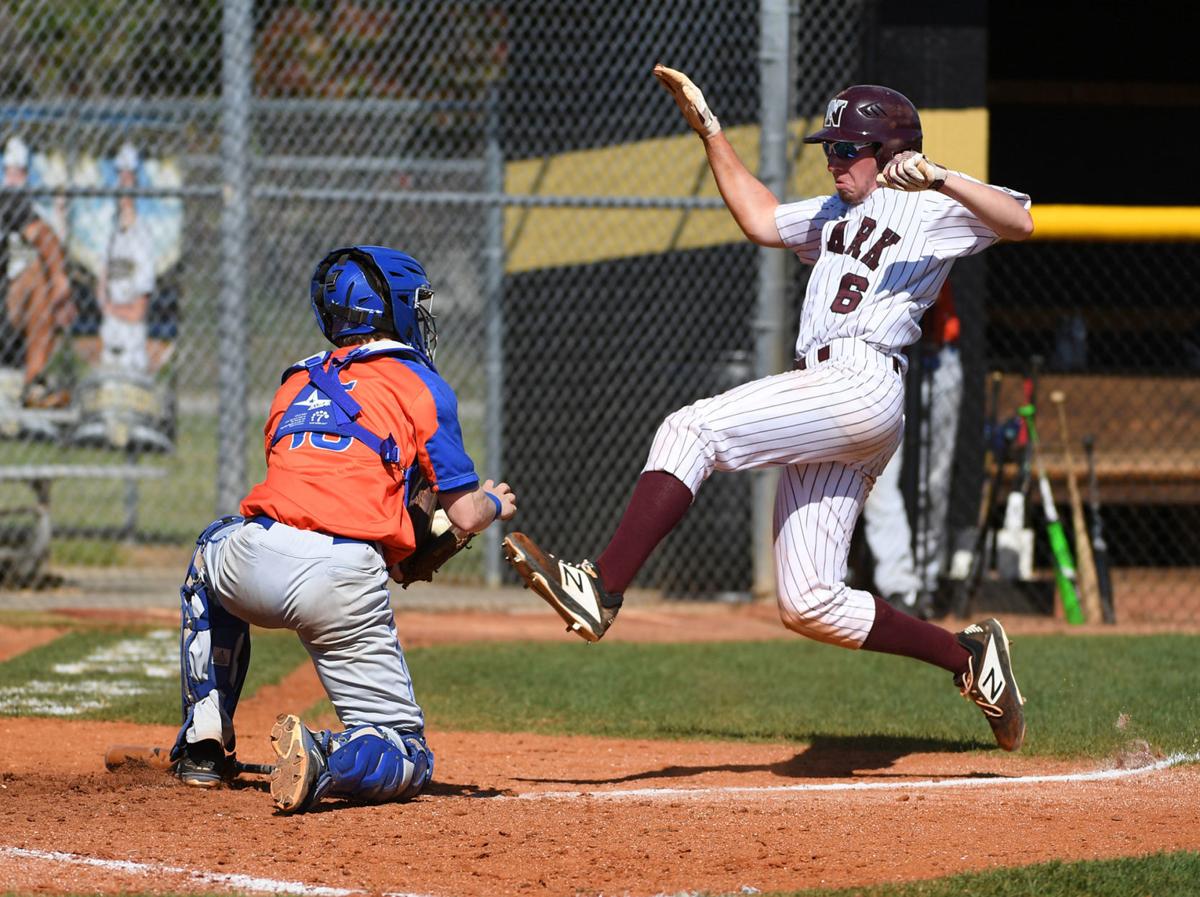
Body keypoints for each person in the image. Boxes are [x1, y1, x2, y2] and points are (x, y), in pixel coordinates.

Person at [503, 66, 1034, 752]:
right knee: (807, 600)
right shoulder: (834, 213)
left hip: (862, 375)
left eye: (847, 150)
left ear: (888, 150)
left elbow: (1019, 220)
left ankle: (600, 586)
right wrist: (711, 132)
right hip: (839, 395)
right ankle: (970, 660)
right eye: (830, 150)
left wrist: (938, 176)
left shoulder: (932, 204)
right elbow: (757, 217)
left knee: (689, 427)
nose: (834, 161)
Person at [170, 245, 517, 812]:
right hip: (340, 576)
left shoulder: (294, 381)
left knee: (213, 544)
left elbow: (311, 491)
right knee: (406, 752)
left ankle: (203, 739)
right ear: (394, 310)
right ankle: (328, 758)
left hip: (254, 557)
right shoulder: (420, 383)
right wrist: (495, 506)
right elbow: (463, 514)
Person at [862, 280, 963, 619]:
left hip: (937, 354)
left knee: (934, 482)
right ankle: (900, 586)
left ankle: (928, 578)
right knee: (879, 478)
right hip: (881, 356)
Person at [2, 135, 73, 406]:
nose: (12, 178)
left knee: (37, 275)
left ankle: (34, 383)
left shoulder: (12, 202)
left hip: (9, 307)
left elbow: (41, 233)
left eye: (18, 172)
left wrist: (59, 278)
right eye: (8, 171)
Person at [97, 141, 155, 373]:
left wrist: (111, 308)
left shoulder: (143, 236)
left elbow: (138, 310)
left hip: (131, 348)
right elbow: (101, 285)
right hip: (109, 338)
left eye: (129, 177)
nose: (124, 184)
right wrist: (108, 306)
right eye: (121, 177)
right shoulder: (111, 234)